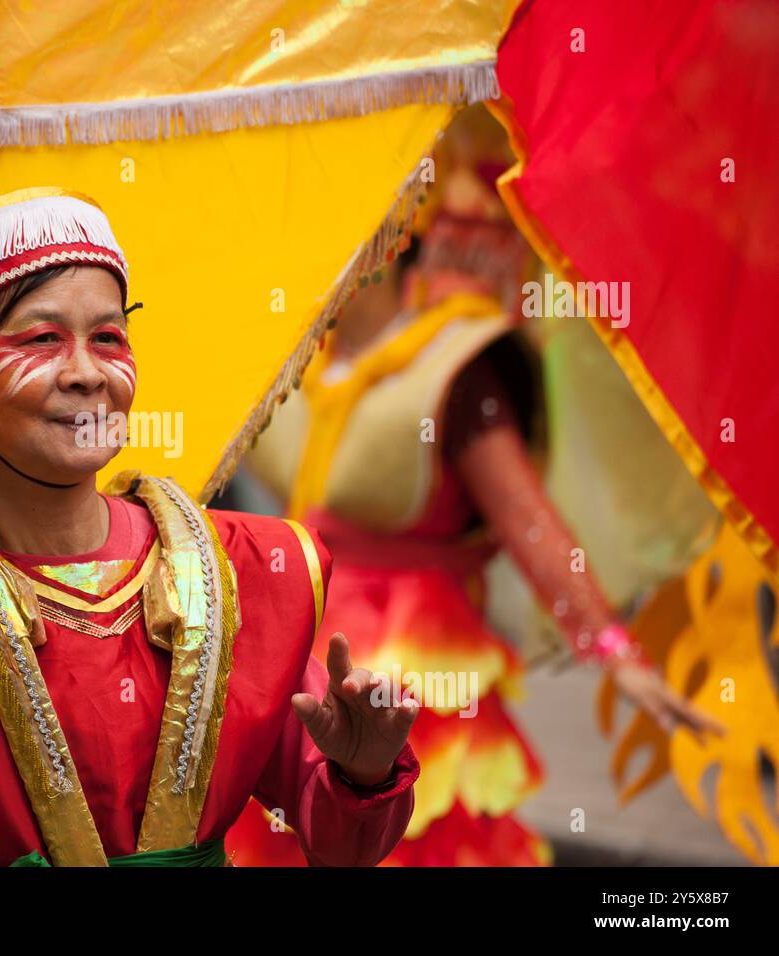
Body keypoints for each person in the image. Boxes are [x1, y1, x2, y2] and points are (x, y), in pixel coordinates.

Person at [0, 186, 420, 866]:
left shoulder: (239, 571)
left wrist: (366, 773)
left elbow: (341, 839)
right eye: (42, 339)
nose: (87, 374)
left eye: (109, 338)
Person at [225, 112, 724, 866]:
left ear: (393, 235)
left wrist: (614, 650)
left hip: (410, 680)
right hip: (300, 666)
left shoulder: (457, 366)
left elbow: (528, 520)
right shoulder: (297, 361)